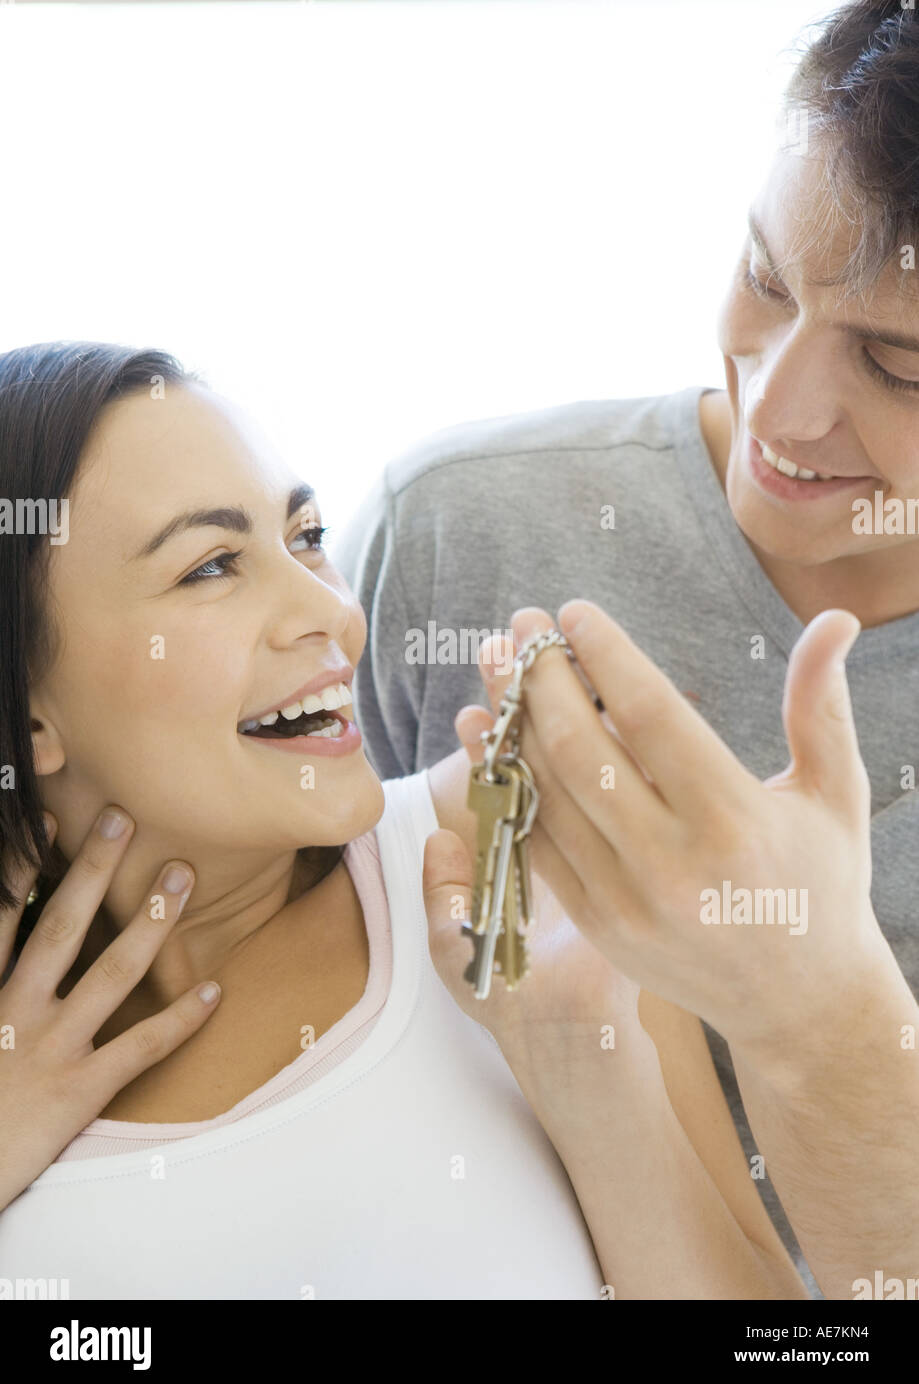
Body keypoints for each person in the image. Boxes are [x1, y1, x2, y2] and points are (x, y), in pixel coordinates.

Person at [0, 342, 806, 1300]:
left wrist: (591, 1077)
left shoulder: (503, 845)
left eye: (305, 535)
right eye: (212, 566)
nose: (331, 613)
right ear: (31, 714)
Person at [334, 0, 919, 1301]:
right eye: (765, 274)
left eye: (895, 365)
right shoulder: (453, 523)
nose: (774, 400)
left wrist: (813, 1008)